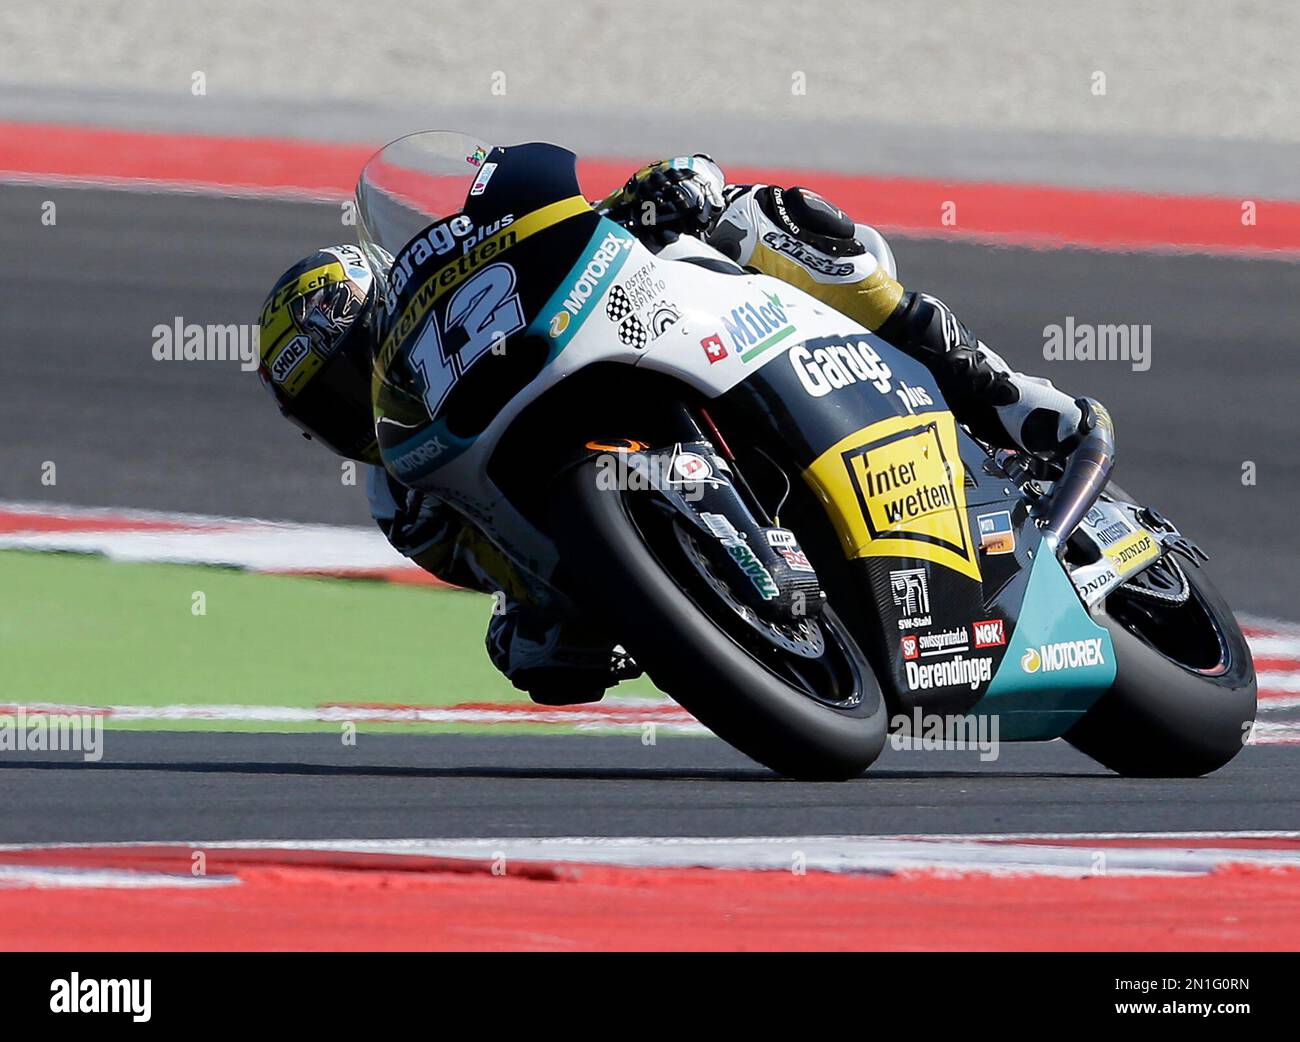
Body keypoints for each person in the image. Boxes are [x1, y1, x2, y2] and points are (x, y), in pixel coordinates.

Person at [256, 155, 1097, 705]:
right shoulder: (402, 498)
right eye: (326, 406)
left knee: (765, 216)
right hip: (593, 525)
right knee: (529, 657)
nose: (350, 405)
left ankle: (997, 390)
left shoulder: (465, 305)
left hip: (648, 324)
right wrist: (560, 613)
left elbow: (555, 226)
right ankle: (735, 615)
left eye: (350, 369)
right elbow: (505, 568)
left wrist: (656, 195)